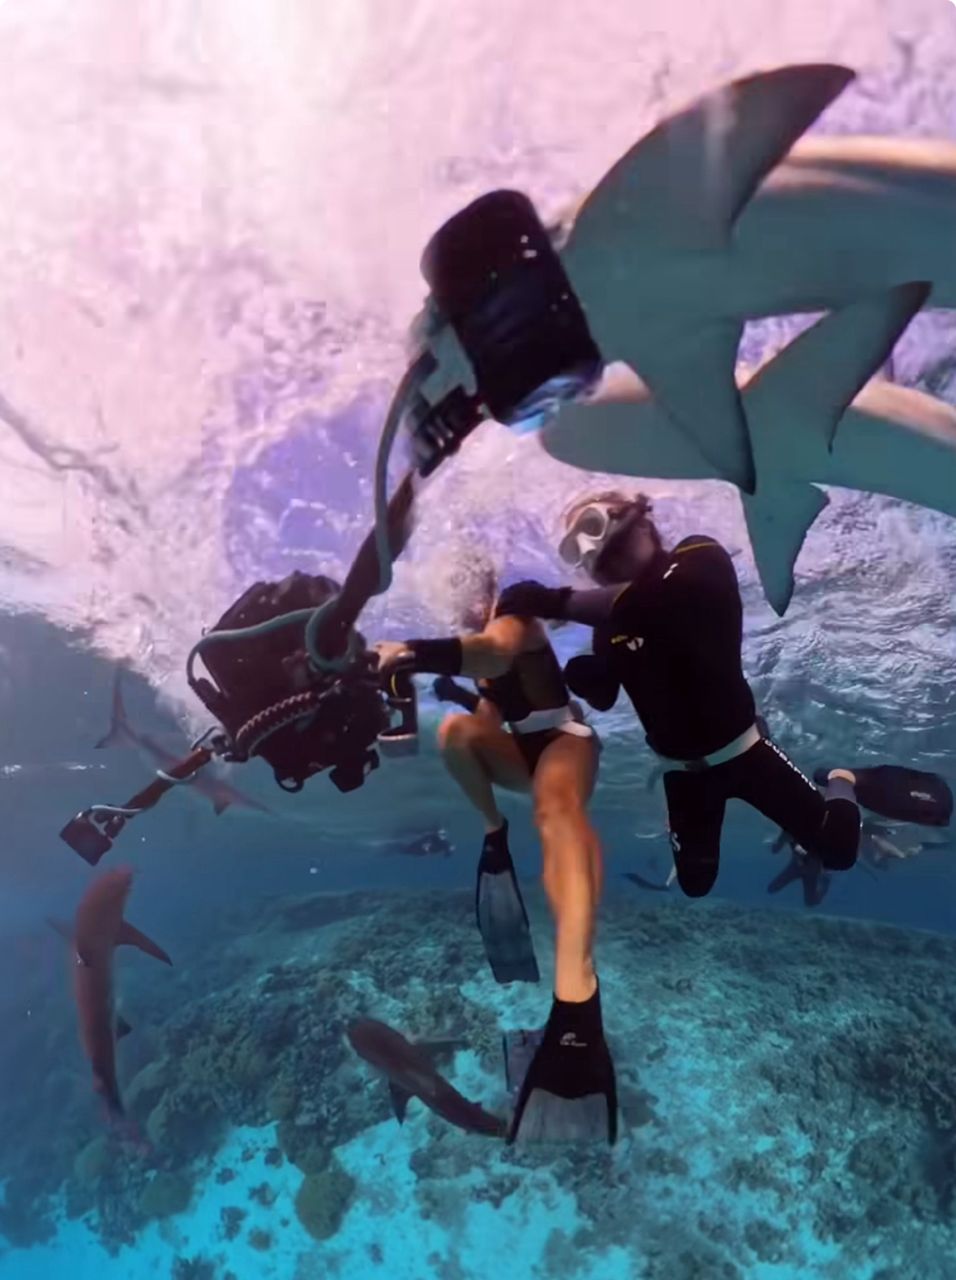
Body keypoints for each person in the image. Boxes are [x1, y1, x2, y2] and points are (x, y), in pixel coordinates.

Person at [495, 491, 952, 898]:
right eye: (578, 548)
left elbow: (667, 596)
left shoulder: (700, 555)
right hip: (682, 773)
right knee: (695, 884)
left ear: (641, 516)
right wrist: (585, 676)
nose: (594, 550)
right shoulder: (611, 622)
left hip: (746, 752)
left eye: (594, 527)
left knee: (837, 851)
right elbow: (608, 696)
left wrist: (557, 602)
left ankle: (844, 779)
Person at [374, 556, 616, 1145]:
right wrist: (453, 695)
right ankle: (493, 835)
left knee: (555, 809)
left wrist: (410, 650)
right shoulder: (482, 658)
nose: (457, 608)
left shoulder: (516, 623)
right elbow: (486, 710)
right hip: (522, 753)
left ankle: (576, 997)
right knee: (453, 732)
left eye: (462, 595)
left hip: (567, 742)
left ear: (485, 593)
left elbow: (492, 651)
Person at [765, 828, 831, 908]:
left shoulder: (790, 830)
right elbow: (776, 849)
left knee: (810, 902)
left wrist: (772, 844)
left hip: (809, 868)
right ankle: (825, 882)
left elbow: (775, 849)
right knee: (772, 889)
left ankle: (826, 883)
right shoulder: (789, 830)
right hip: (799, 867)